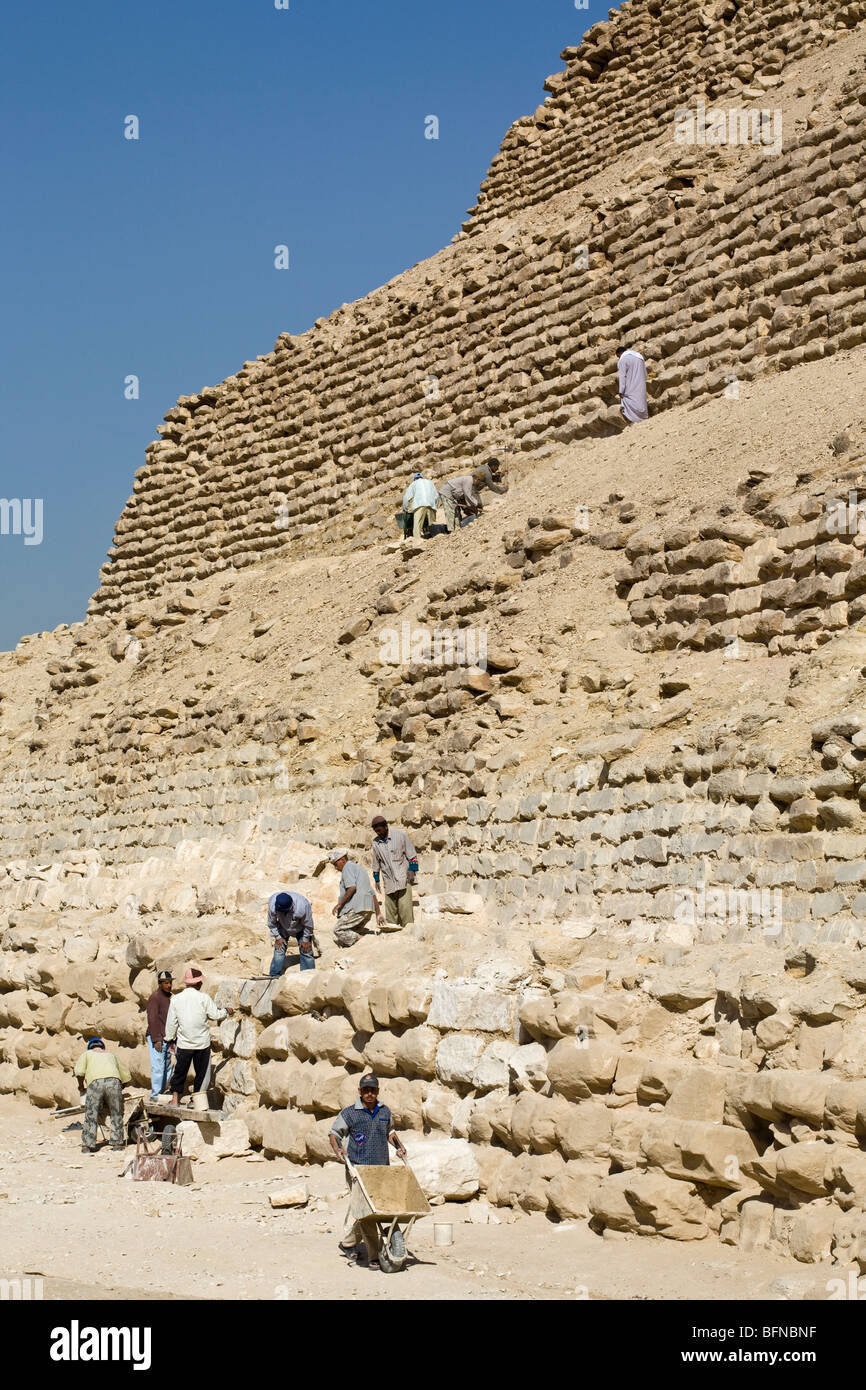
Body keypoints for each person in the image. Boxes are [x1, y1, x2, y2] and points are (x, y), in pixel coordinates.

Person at [329, 1074, 407, 1266]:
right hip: (357, 1169)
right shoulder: (350, 1113)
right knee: (368, 1212)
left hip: (381, 1170)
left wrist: (399, 1146)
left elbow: (390, 1132)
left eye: (373, 1090)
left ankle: (348, 1244)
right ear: (360, 1092)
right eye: (366, 1090)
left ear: (378, 1091)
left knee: (373, 1210)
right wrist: (338, 1149)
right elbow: (334, 1133)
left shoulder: (384, 1111)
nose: (369, 1094)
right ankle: (374, 1256)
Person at [165, 968, 231, 1107]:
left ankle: (175, 1100)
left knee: (179, 1072)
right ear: (198, 983)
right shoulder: (204, 998)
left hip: (184, 1044)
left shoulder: (176, 999)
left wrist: (170, 1039)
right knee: (201, 1074)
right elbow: (215, 1015)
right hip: (202, 1044)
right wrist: (226, 1011)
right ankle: (196, 1101)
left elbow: (171, 1023)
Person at [73, 1037, 131, 1153]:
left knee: (91, 1113)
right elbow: (126, 1077)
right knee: (116, 1112)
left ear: (90, 1047)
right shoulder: (111, 1055)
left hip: (95, 1083)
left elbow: (79, 1072)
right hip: (114, 1082)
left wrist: (81, 1086)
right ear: (102, 1047)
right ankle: (117, 1143)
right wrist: (119, 1089)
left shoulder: (87, 1054)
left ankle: (87, 1145)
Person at [371, 816, 417, 931]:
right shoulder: (376, 843)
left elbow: (412, 855)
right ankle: (393, 936)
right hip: (389, 882)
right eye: (376, 832)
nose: (378, 833)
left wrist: (412, 871)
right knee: (391, 914)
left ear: (386, 827)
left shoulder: (400, 836)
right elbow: (376, 863)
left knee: (405, 911)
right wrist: (377, 879)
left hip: (403, 879)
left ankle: (409, 933)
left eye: (380, 830)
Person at [330, 849, 381, 948]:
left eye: (336, 864)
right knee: (352, 932)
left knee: (338, 930)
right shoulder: (359, 869)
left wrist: (340, 904)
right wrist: (378, 913)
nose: (336, 868)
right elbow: (371, 892)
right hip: (367, 908)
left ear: (343, 860)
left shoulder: (347, 868)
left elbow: (352, 887)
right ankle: (363, 944)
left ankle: (365, 942)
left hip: (358, 907)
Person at [267, 889, 316, 975]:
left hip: (300, 927)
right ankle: (274, 976)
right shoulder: (273, 904)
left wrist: (306, 939)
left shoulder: (302, 905)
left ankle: (308, 975)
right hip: (282, 925)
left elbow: (308, 924)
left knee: (306, 950)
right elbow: (271, 923)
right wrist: (278, 937)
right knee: (279, 949)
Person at [145, 969, 174, 1103]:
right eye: (166, 983)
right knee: (158, 1067)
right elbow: (152, 1019)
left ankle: (161, 1093)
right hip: (157, 1038)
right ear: (160, 983)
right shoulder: (155, 997)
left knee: (167, 1066)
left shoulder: (169, 997)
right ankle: (155, 1094)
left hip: (167, 1038)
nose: (169, 985)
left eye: (170, 983)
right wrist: (156, 1039)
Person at [401, 471, 440, 540]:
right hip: (431, 504)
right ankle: (436, 540)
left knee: (417, 526)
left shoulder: (414, 484)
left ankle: (417, 541)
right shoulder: (430, 482)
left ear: (415, 479)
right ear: (422, 477)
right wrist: (435, 507)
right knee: (432, 525)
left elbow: (406, 497)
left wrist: (405, 508)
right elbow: (436, 496)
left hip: (419, 505)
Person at [616, 345, 648, 424]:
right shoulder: (639, 357)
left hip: (630, 385)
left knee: (628, 400)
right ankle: (644, 417)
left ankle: (634, 420)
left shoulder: (623, 360)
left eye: (618, 356)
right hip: (640, 383)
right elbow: (645, 372)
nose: (619, 358)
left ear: (620, 353)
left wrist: (621, 391)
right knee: (641, 400)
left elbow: (622, 376)